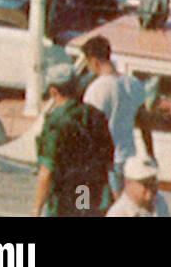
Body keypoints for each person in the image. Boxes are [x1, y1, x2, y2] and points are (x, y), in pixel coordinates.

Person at [34, 62, 113, 217]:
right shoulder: (95, 115)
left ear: (53, 91)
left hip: (65, 199)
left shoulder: (56, 122)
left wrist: (36, 209)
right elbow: (108, 159)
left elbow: (47, 170)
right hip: (89, 193)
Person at [81, 36, 154, 200]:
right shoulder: (133, 83)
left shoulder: (96, 89)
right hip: (130, 156)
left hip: (108, 161)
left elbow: (88, 128)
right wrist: (151, 154)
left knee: (108, 205)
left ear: (94, 61)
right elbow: (145, 124)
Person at [106, 156, 170, 217]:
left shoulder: (159, 201)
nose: (151, 187)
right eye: (145, 183)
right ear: (128, 183)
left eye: (153, 181)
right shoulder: (118, 214)